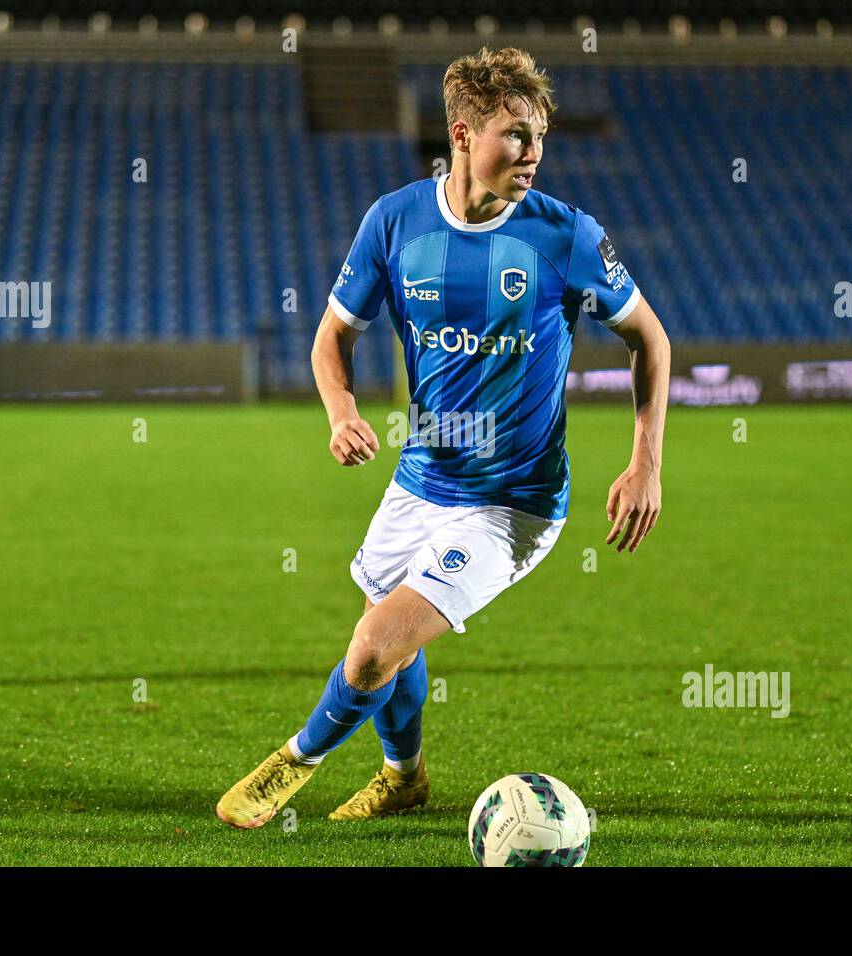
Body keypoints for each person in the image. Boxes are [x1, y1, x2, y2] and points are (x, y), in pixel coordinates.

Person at [217, 47, 671, 829]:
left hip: (513, 505)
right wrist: (341, 412)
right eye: (514, 136)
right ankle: (404, 776)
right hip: (419, 481)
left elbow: (651, 341)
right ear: (461, 135)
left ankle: (294, 762)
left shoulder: (565, 235)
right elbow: (331, 338)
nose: (532, 154)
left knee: (371, 650)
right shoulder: (395, 221)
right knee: (393, 646)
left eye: (539, 137)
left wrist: (645, 463)